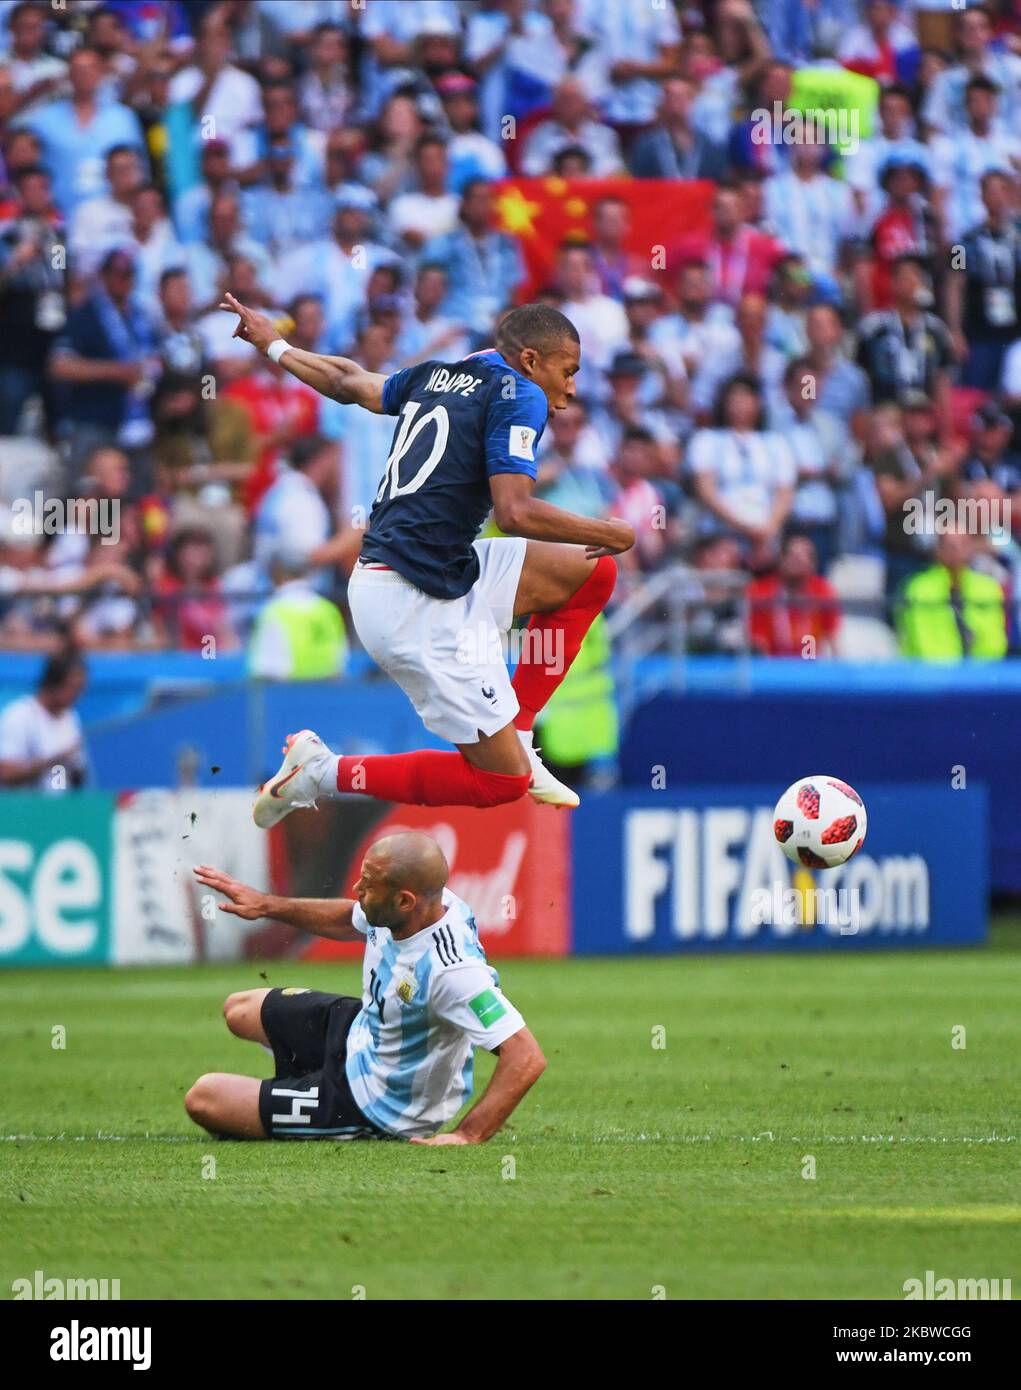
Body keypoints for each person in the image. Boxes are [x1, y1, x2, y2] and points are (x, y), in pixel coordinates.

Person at [219, 292, 634, 816]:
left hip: (436, 569)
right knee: (501, 783)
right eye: (568, 371)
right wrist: (611, 528)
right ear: (530, 360)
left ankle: (521, 729)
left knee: (592, 572)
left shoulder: (440, 373)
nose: (572, 390)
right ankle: (321, 771)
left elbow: (349, 383)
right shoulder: (522, 394)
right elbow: (514, 512)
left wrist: (275, 345)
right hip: (411, 601)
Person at [187, 831, 546, 1144]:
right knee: (239, 1009)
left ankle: (314, 1097)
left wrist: (469, 1134)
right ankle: (303, 1085)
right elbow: (349, 920)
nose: (357, 890)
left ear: (405, 900)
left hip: (380, 1100)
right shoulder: (422, 903)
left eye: (367, 885)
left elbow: (525, 1056)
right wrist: (267, 906)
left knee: (204, 1097)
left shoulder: (452, 973)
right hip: (363, 1031)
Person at [896, 528, 1007, 660]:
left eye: (962, 544)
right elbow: (923, 644)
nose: (956, 550)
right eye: (950, 545)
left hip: (981, 675)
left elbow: (994, 642)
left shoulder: (988, 587)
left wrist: (977, 672)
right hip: (931, 675)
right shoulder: (918, 589)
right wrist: (955, 675)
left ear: (971, 548)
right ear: (938, 549)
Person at [247, 546, 348, 681]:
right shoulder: (329, 610)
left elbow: (263, 671)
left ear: (276, 573)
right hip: (327, 697)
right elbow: (340, 664)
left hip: (287, 697)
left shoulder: (272, 612)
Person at [0, 647, 88, 790]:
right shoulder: (18, 715)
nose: (77, 694)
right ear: (53, 683)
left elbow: (58, 781)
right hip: (20, 809)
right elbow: (5, 773)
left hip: (55, 809)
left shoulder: (70, 717)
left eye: (81, 688)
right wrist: (56, 759)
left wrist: (76, 770)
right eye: (72, 687)